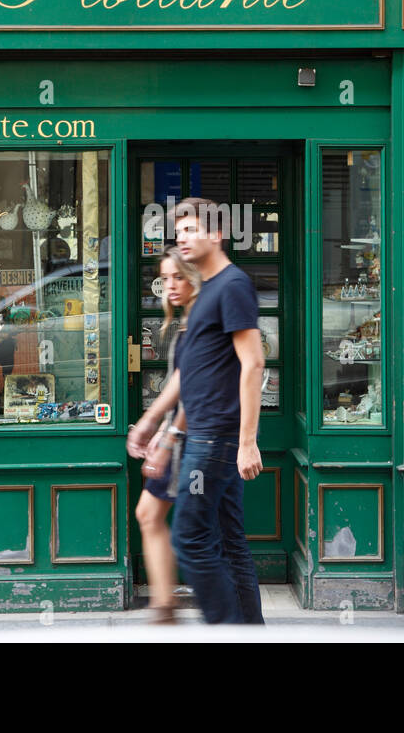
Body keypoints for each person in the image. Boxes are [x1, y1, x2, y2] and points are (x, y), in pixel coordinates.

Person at [129, 196, 265, 624]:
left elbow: (254, 363)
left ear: (216, 234)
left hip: (213, 440)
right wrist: (152, 421)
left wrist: (247, 443)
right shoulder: (209, 294)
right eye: (179, 231)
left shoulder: (233, 286)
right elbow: (191, 373)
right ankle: (251, 629)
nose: (182, 238)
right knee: (228, 541)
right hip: (206, 437)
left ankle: (226, 629)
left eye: (191, 230)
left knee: (189, 537)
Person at [125, 247, 201, 624]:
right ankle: (165, 604)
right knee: (151, 514)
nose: (169, 285)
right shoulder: (186, 321)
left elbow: (195, 389)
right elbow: (179, 383)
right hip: (180, 436)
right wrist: (153, 425)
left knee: (201, 530)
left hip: (192, 442)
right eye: (165, 278)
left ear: (195, 278)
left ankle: (172, 605)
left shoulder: (199, 321)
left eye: (178, 277)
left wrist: (167, 434)